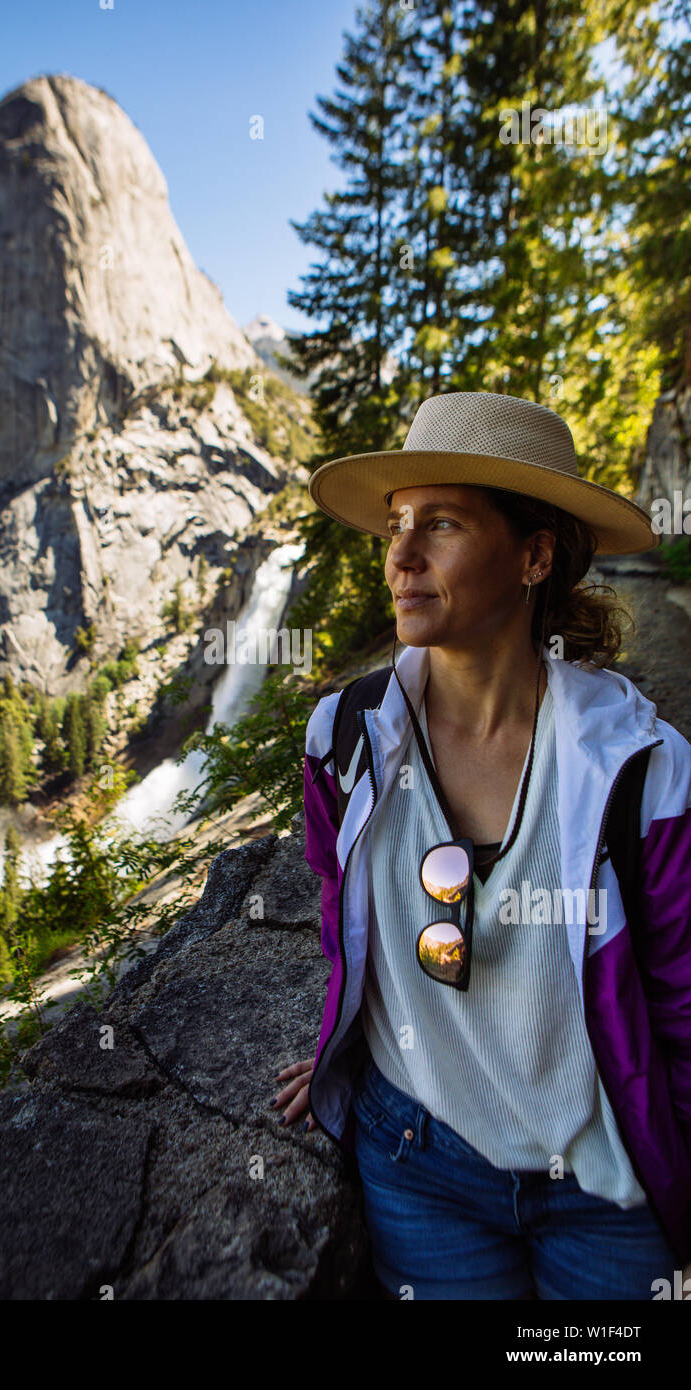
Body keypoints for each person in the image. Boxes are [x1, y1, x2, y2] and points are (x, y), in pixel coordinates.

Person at [270, 390, 691, 1300]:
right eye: (396, 525)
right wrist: (349, 1028)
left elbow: (684, 1011)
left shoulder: (643, 776)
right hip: (417, 1162)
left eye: (443, 524)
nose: (401, 559)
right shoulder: (344, 738)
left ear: (535, 555)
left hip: (601, 1191)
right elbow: (334, 891)